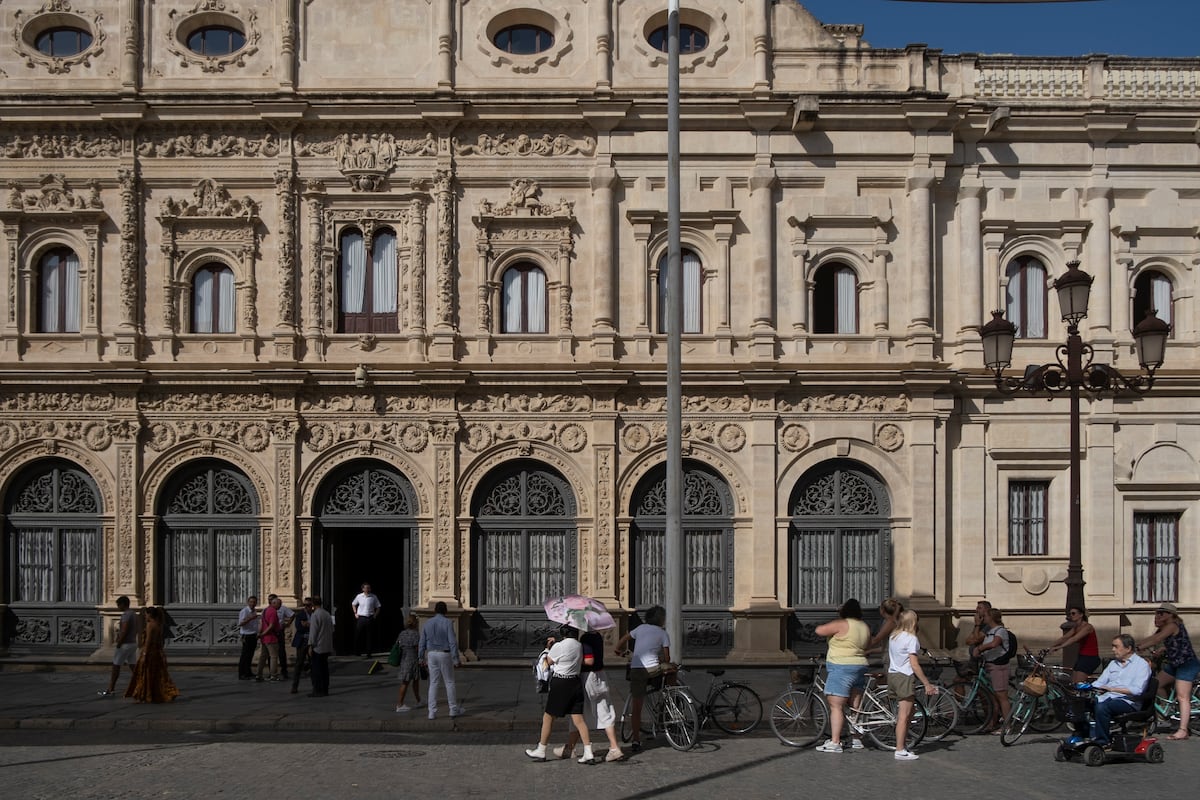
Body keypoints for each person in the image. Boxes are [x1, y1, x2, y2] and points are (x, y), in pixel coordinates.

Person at [553, 628, 624, 762]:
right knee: (604, 711)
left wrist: (575, 659)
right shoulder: (598, 636)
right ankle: (614, 748)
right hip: (600, 676)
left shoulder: (586, 639)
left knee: (577, 712)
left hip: (588, 678)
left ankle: (570, 748)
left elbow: (589, 660)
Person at [525, 626, 594, 763]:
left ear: (564, 634)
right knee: (578, 720)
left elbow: (546, 664)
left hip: (560, 683)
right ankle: (588, 752)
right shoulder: (579, 645)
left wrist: (547, 648)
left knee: (548, 717)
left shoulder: (559, 646)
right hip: (575, 682)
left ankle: (541, 749)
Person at [814, 599, 870, 753]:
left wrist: (834, 618)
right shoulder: (864, 626)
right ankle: (856, 739)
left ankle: (835, 742)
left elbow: (820, 630)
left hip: (841, 667)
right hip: (859, 665)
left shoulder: (842, 624)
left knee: (836, 706)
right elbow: (868, 644)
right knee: (855, 706)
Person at [614, 604, 670, 754]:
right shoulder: (662, 633)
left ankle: (636, 740)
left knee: (636, 707)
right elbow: (667, 657)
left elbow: (621, 641)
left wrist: (618, 651)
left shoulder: (639, 629)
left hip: (637, 670)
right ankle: (671, 696)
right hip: (653, 671)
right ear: (661, 620)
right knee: (672, 669)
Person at [1137, 602, 1198, 740]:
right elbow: (1153, 638)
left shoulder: (1172, 625)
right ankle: (1166, 711)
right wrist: (1136, 645)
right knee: (1156, 684)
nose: (1157, 616)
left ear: (1171, 615)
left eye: (1161, 613)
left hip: (1186, 664)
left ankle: (1183, 730)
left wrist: (1137, 648)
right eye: (1157, 613)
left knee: (1183, 696)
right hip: (1174, 664)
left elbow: (1157, 639)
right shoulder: (1164, 628)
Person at [1087, 634, 1153, 747]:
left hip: (1128, 701)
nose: (1113, 649)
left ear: (1128, 648)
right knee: (1080, 703)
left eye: (1116, 646)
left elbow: (1137, 690)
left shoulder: (1141, 665)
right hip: (1108, 696)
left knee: (1103, 707)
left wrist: (1112, 689)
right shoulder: (1113, 663)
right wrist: (1088, 687)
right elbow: (1100, 681)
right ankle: (1083, 735)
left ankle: (1102, 741)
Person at [888, 609, 938, 761]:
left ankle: (902, 742)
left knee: (908, 712)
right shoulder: (911, 639)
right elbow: (914, 665)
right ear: (914, 622)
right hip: (905, 676)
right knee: (903, 716)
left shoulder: (893, 636)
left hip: (893, 675)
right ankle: (900, 749)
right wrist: (927, 684)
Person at [419, 601, 464, 720]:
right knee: (449, 682)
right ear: (446, 611)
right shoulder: (448, 622)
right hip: (445, 654)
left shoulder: (428, 623)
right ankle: (453, 709)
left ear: (435, 610)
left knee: (433, 683)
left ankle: (432, 712)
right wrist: (456, 659)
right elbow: (452, 642)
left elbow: (422, 641)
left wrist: (420, 657)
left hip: (431, 653)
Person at [125, 606, 180, 703]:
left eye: (146, 614)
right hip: (157, 651)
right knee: (158, 674)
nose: (145, 616)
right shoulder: (159, 624)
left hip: (150, 652)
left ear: (149, 615)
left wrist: (145, 653)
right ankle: (158, 693)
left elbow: (148, 641)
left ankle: (146, 694)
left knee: (146, 673)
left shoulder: (150, 625)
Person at [972, 607, 1012, 732]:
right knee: (994, 697)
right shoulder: (991, 630)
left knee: (1002, 696)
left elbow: (995, 643)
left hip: (999, 667)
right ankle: (992, 724)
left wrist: (980, 648)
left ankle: (1007, 726)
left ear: (991, 617)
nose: (984, 618)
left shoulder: (1000, 631)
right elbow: (975, 638)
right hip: (990, 666)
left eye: (986, 616)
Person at [1048, 606, 1100, 683]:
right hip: (1082, 657)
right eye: (1070, 614)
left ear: (1081, 615)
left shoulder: (1088, 627)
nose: (1071, 615)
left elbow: (1074, 638)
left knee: (1078, 684)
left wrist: (1059, 647)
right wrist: (1050, 647)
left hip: (1090, 658)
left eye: (1073, 613)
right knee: (1073, 683)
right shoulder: (1076, 627)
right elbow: (1064, 638)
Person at [100, 595, 139, 697]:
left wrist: (119, 642)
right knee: (133, 666)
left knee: (116, 666)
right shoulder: (134, 614)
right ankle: (141, 684)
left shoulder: (126, 615)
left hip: (125, 644)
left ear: (123, 604)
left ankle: (111, 688)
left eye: (118, 605)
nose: (118, 607)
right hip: (133, 643)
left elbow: (124, 630)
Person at [394, 613, 422, 712]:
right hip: (413, 660)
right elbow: (418, 648)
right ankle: (400, 704)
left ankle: (418, 700)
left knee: (409, 681)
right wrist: (422, 659)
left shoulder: (402, 633)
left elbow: (399, 645)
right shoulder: (416, 634)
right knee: (410, 682)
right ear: (415, 623)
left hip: (404, 659)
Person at [307, 595, 334, 697]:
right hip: (326, 646)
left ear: (313, 604)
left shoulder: (315, 615)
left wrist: (310, 645)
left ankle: (317, 690)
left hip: (318, 646)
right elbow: (332, 629)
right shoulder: (327, 614)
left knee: (316, 670)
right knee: (324, 669)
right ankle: (325, 689)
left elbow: (313, 632)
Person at [256, 594, 282, 682]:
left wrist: (260, 634)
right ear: (274, 603)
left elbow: (261, 623)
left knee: (263, 657)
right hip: (271, 638)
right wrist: (263, 633)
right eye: (279, 604)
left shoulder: (265, 610)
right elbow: (271, 626)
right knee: (274, 657)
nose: (280, 606)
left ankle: (258, 675)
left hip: (264, 639)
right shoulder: (273, 612)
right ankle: (273, 675)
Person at [351, 583, 382, 657]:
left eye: (369, 588)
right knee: (358, 635)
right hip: (361, 618)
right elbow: (353, 604)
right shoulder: (359, 596)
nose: (368, 589)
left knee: (369, 636)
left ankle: (369, 653)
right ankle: (357, 652)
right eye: (366, 588)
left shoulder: (373, 597)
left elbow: (378, 607)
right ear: (363, 589)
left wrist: (375, 615)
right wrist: (355, 613)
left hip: (370, 617)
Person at [290, 598, 313, 695]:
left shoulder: (315, 614)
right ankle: (294, 686)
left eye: (309, 605)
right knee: (299, 663)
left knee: (313, 663)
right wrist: (310, 625)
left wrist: (308, 625)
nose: (307, 607)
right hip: (302, 641)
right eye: (305, 605)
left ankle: (315, 685)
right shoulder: (300, 615)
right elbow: (299, 628)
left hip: (311, 641)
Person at [236, 595, 260, 680]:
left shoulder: (254, 611)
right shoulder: (244, 611)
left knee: (250, 655)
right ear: (248, 602)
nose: (252, 604)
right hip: (246, 635)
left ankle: (248, 672)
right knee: (245, 655)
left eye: (254, 602)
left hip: (253, 635)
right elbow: (241, 623)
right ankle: (242, 673)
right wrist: (250, 618)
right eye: (251, 602)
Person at [272, 595, 294, 680]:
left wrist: (287, 623)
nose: (280, 605)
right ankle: (272, 671)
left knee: (281, 652)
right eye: (278, 604)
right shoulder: (268, 610)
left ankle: (284, 671)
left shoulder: (283, 609)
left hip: (279, 632)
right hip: (271, 632)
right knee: (271, 653)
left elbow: (292, 615)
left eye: (280, 604)